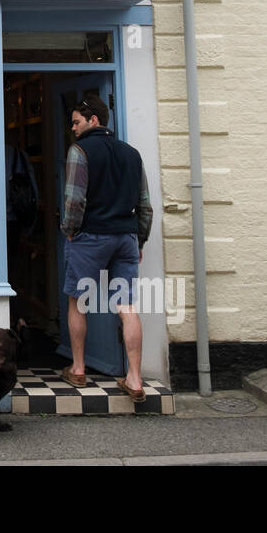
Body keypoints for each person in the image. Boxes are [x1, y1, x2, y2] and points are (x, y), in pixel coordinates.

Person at [59, 95, 152, 400]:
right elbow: (145, 206)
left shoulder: (80, 150)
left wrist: (70, 231)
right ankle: (135, 379)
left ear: (93, 120)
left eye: (76, 122)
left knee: (78, 301)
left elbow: (74, 200)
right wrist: (139, 239)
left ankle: (79, 368)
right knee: (126, 306)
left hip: (90, 236)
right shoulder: (133, 154)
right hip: (125, 236)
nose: (72, 128)